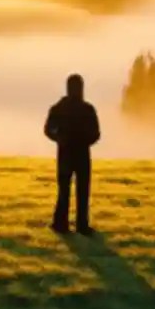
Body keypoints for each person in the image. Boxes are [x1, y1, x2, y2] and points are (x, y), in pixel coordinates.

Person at [44, 73, 100, 236]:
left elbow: (48, 130)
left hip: (67, 153)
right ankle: (79, 225)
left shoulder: (60, 108)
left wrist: (59, 139)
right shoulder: (86, 109)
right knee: (79, 191)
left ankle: (63, 224)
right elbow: (96, 133)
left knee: (67, 190)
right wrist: (85, 141)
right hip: (79, 154)